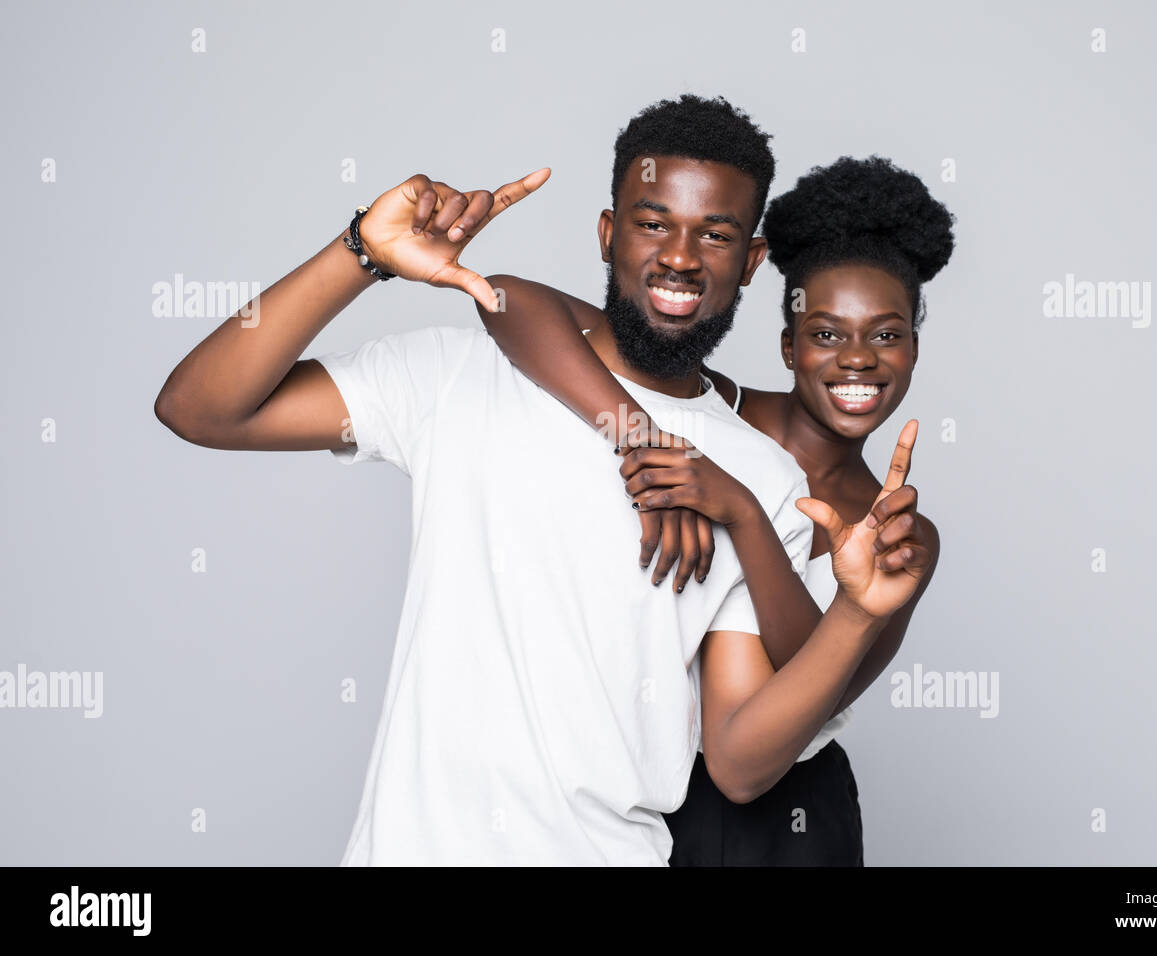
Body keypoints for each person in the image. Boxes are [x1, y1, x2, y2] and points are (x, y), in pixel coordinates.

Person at [151, 93, 926, 865]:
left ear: (752, 263)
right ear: (607, 234)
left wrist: (855, 612)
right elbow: (199, 408)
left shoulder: (760, 480)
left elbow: (738, 761)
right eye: (653, 222)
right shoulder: (461, 373)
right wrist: (360, 253)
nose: (682, 257)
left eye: (716, 235)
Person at [476, 154, 954, 865]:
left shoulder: (901, 533)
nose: (858, 359)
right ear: (789, 346)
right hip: (658, 790)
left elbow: (817, 689)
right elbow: (505, 302)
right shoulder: (707, 407)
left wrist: (746, 515)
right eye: (826, 333)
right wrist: (638, 433)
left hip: (795, 814)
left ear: (914, 350)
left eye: (887, 334)